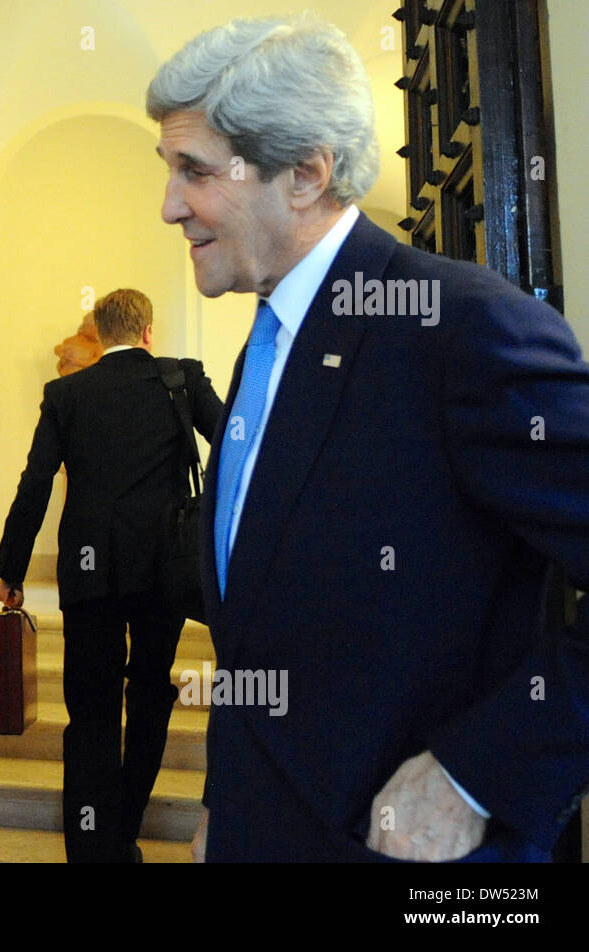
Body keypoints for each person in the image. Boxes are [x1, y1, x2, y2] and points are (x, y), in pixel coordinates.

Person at [148, 14, 589, 861]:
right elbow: (260, 627)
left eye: (194, 171)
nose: (170, 205)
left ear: (306, 175)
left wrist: (475, 773)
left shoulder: (463, 329)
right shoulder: (268, 343)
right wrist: (227, 807)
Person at [0, 288, 222, 862]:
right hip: (163, 571)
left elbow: (36, 482)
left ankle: (92, 850)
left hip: (88, 573)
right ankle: (123, 831)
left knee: (90, 711)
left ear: (100, 333)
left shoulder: (66, 393)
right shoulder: (182, 379)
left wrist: (12, 568)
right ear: (148, 331)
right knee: (149, 693)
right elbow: (235, 441)